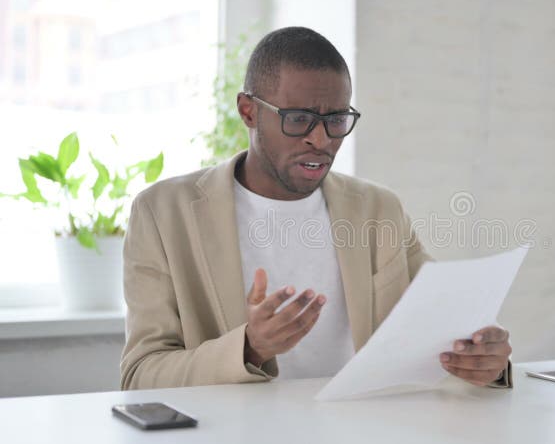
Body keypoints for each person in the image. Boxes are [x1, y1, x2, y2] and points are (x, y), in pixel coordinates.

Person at [120, 26, 512, 390]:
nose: (321, 139)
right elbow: (140, 376)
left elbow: (446, 324)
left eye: (336, 119)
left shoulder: (379, 210)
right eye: (299, 119)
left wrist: (485, 358)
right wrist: (249, 348)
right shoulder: (163, 213)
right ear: (248, 111)